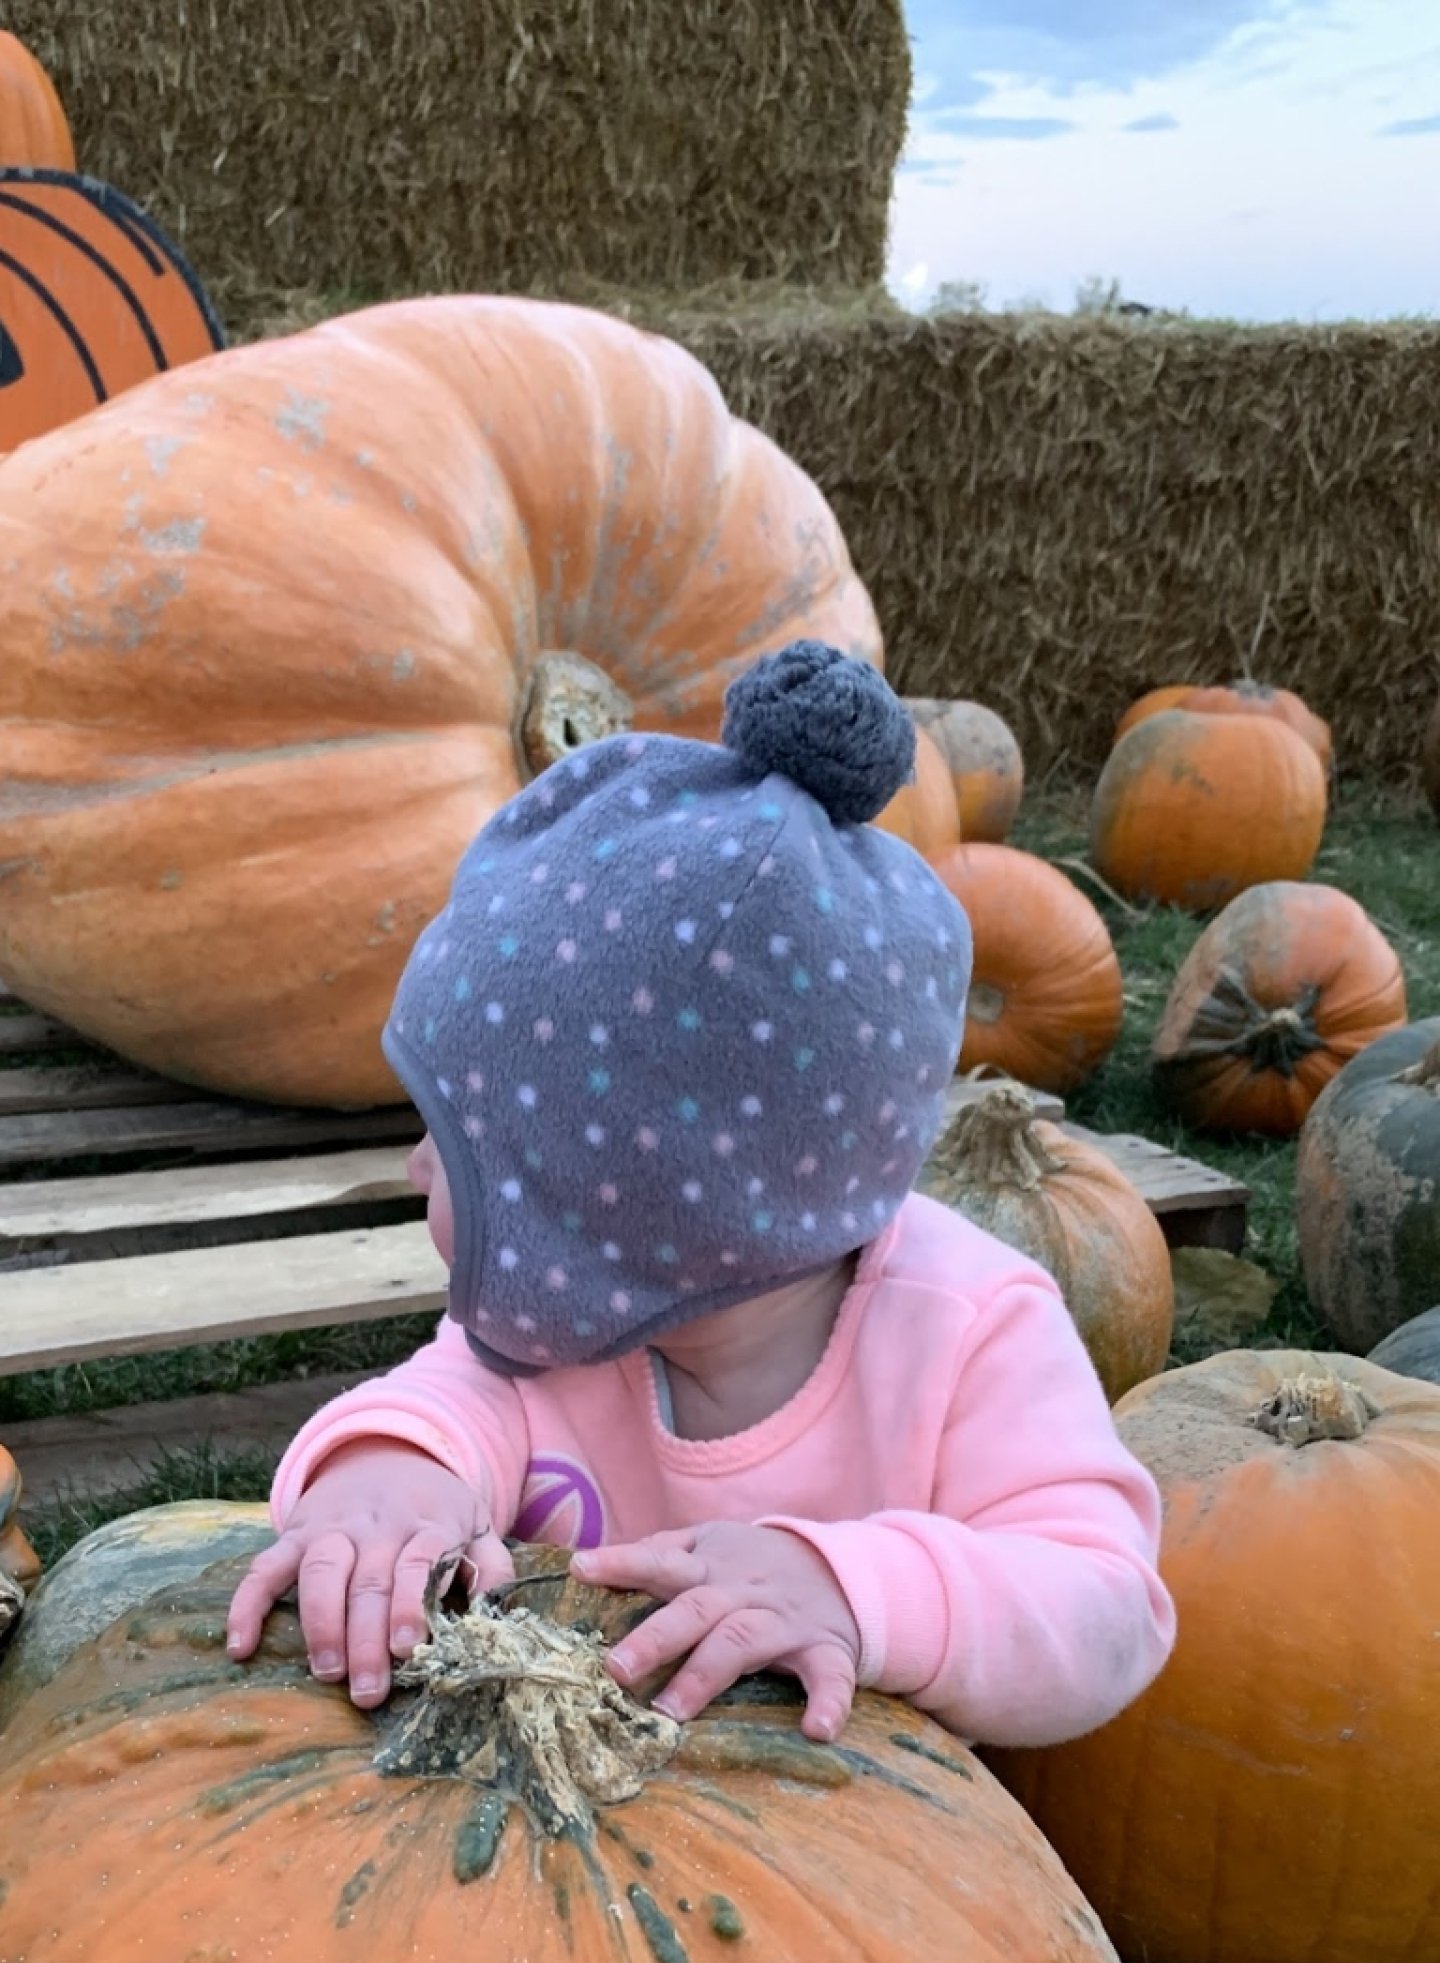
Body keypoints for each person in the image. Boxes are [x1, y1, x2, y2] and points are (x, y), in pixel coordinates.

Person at [225, 641, 1175, 1749]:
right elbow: (444, 1403)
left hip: (852, 1876)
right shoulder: (559, 1328)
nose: (415, 1172)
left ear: (613, 1218)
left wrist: (856, 1588)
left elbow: (1105, 1607)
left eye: (455, 1148)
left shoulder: (971, 1337)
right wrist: (387, 1480)